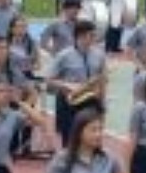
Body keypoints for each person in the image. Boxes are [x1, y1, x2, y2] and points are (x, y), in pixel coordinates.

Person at [46, 20, 107, 148]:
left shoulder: (99, 55)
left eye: (93, 36)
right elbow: (49, 80)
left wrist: (102, 102)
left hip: (91, 101)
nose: (93, 39)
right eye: (90, 35)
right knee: (69, 142)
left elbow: (102, 80)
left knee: (92, 140)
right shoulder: (63, 56)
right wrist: (68, 86)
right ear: (79, 36)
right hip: (70, 102)